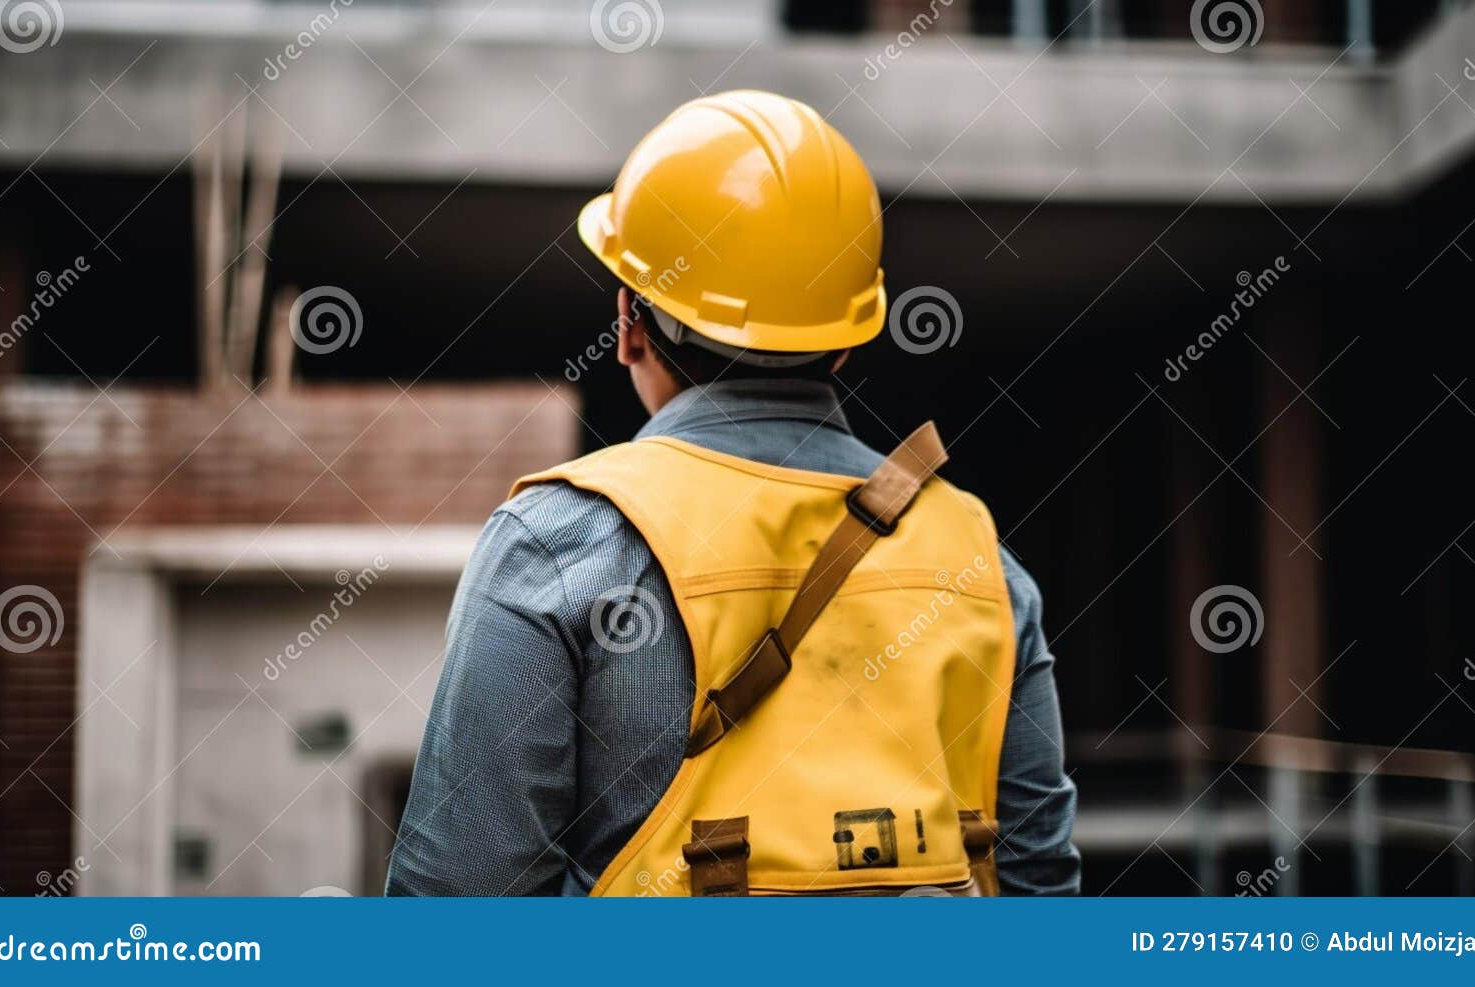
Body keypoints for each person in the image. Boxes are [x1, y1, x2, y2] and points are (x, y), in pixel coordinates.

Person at [387, 90, 1078, 896]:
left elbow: (458, 910)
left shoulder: (559, 542)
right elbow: (1041, 894)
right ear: (850, 340)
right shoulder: (977, 558)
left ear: (629, 324)